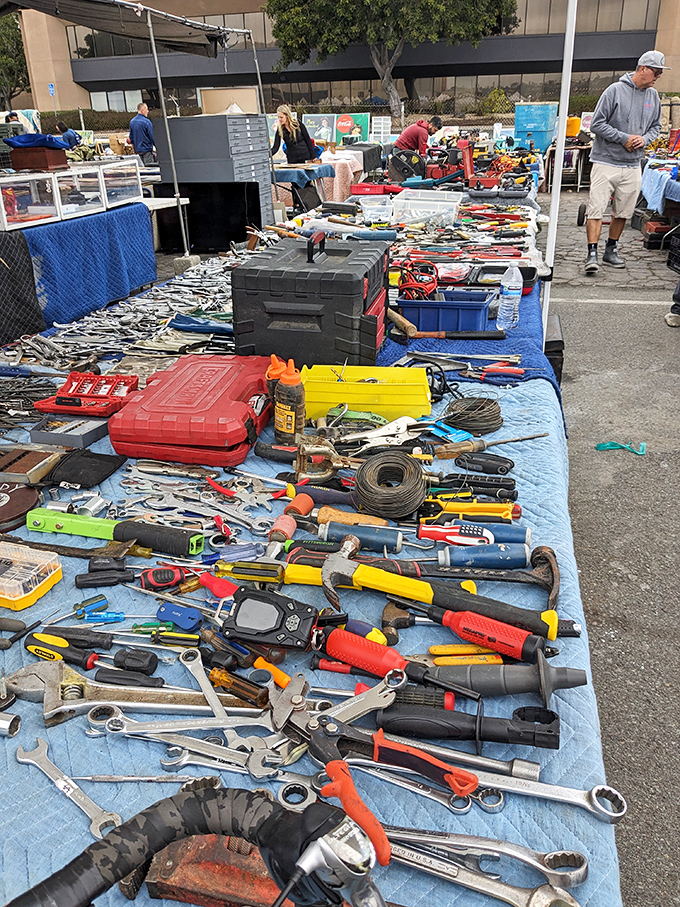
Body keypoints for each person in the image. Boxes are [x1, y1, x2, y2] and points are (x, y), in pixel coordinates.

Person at [584, 50, 667, 274]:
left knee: (623, 211)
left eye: (660, 73)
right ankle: (591, 253)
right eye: (656, 72)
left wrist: (645, 139)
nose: (658, 77)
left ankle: (611, 249)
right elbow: (596, 124)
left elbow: (656, 127)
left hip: (632, 164)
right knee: (596, 209)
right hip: (606, 161)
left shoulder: (653, 97)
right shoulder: (614, 91)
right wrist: (624, 138)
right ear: (643, 69)